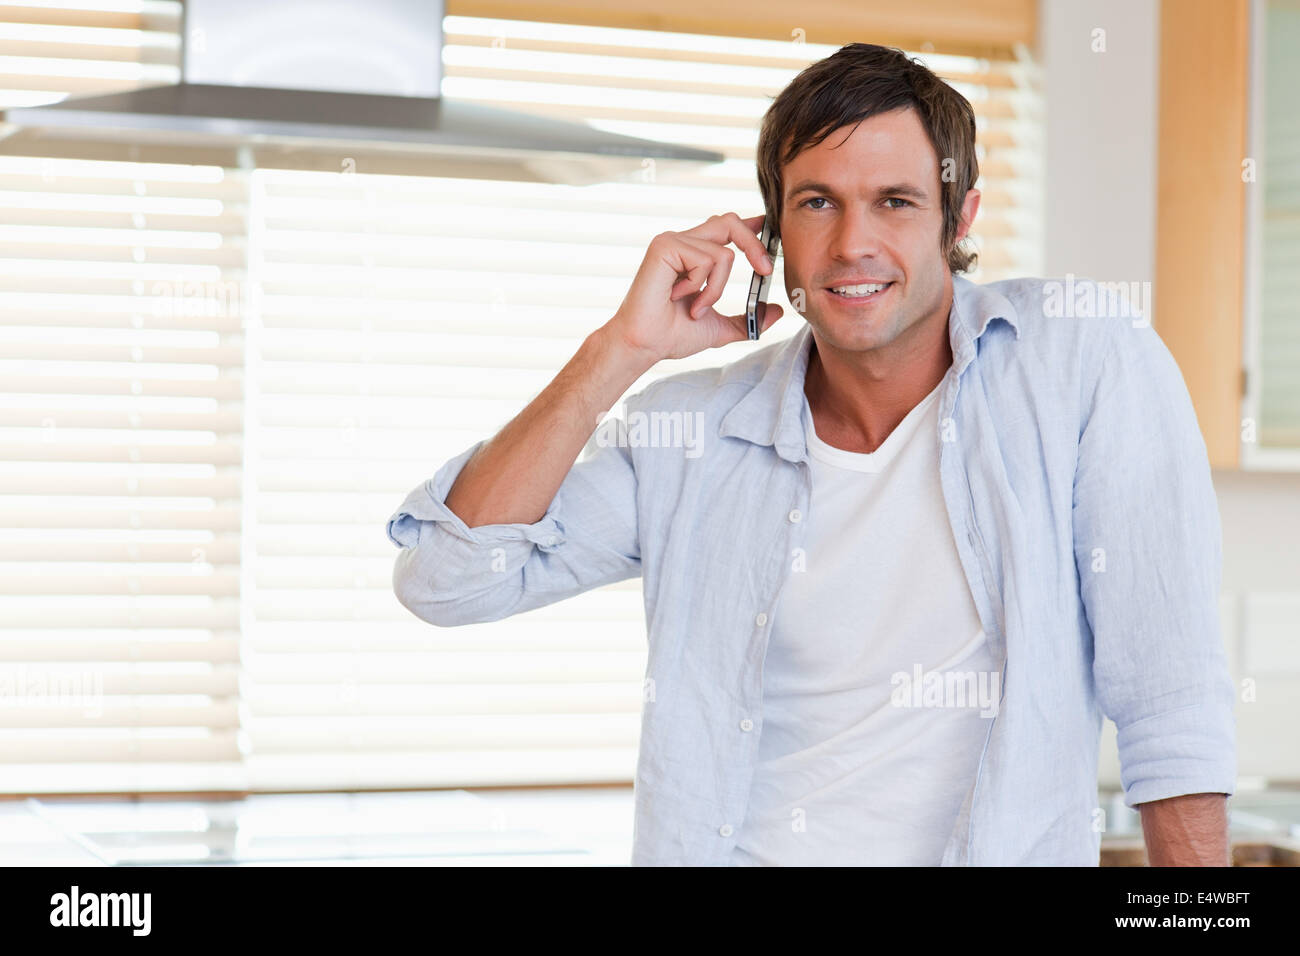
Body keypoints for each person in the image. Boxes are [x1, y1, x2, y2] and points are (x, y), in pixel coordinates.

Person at [386, 43, 1235, 866]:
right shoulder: (693, 434)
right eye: (818, 202)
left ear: (959, 215)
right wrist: (620, 348)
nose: (852, 244)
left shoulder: (1079, 364)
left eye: (895, 201)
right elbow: (449, 581)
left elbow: (1170, 698)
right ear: (771, 230)